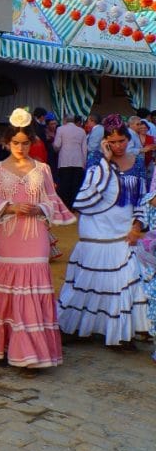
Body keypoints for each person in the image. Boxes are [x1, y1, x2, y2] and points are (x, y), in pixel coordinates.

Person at [0, 112, 75, 368]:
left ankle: (31, 353)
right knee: (7, 281)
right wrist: (10, 208)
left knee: (34, 281)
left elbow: (52, 200)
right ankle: (6, 342)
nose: (21, 148)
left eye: (25, 143)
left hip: (35, 235)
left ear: (32, 142)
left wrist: (40, 208)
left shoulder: (42, 168)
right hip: (10, 235)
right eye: (16, 143)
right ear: (6, 143)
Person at [57, 115, 151, 348]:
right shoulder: (96, 162)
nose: (118, 146)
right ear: (105, 142)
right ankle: (78, 327)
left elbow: (142, 198)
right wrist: (105, 163)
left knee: (125, 280)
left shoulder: (137, 163)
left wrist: (137, 226)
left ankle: (120, 334)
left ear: (128, 139)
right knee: (90, 279)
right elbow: (85, 199)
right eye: (113, 142)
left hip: (124, 230)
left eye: (122, 141)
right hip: (97, 230)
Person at [53, 113, 88, 209]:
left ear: (65, 120)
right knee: (75, 185)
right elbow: (84, 149)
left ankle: (64, 206)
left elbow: (57, 145)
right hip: (78, 161)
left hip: (65, 161)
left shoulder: (60, 129)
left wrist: (54, 148)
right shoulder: (81, 131)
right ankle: (74, 206)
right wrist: (84, 163)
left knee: (64, 184)